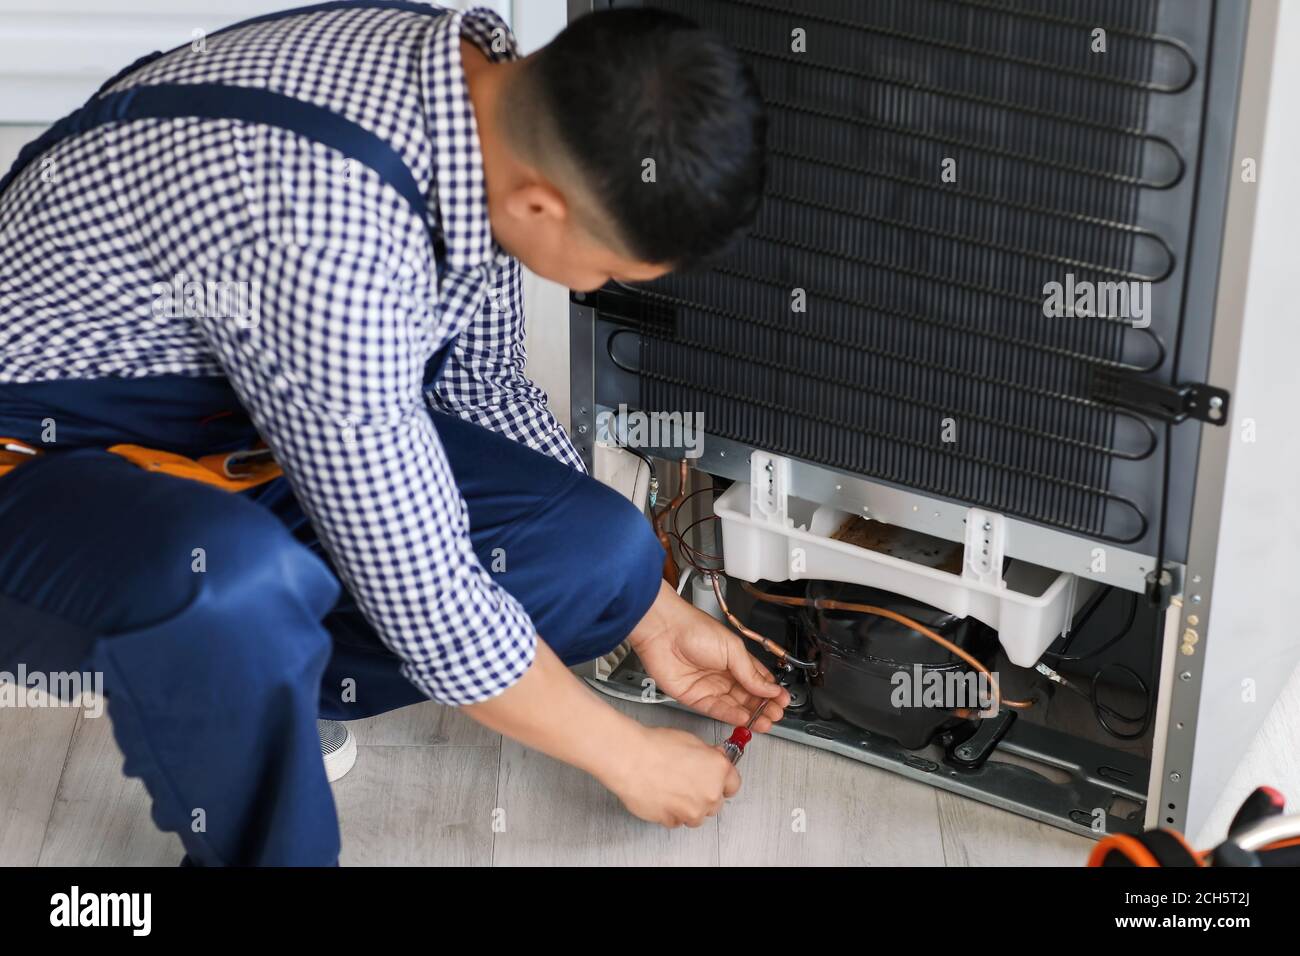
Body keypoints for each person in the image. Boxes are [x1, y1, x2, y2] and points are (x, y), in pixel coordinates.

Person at [0, 2, 785, 865]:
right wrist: (624, 755)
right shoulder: (323, 232)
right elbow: (425, 604)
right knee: (235, 586)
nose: (596, 285)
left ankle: (260, 690)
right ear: (540, 203)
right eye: (607, 271)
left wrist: (654, 616)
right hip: (42, 469)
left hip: (237, 434)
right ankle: (239, 719)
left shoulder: (476, 95)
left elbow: (483, 385)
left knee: (605, 554)